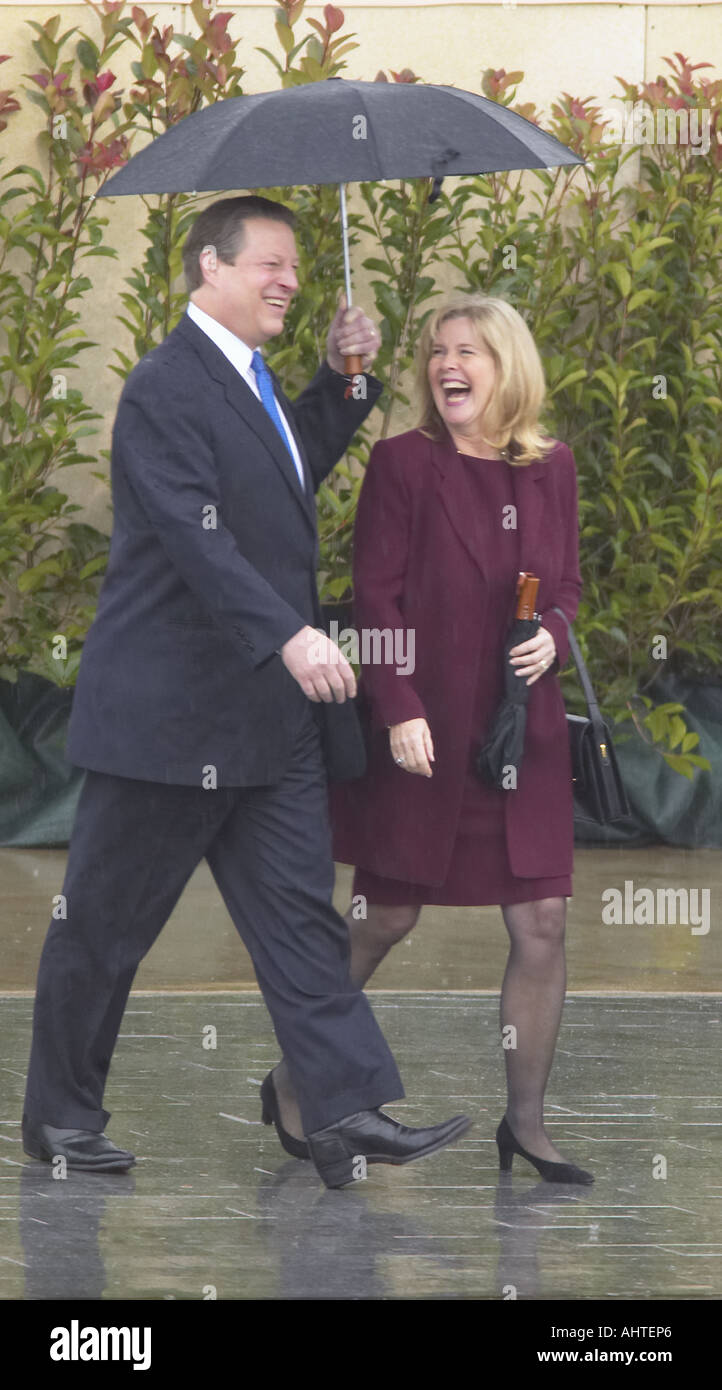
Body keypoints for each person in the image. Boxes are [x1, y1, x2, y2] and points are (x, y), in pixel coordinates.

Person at [21, 197, 470, 1191]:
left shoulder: (252, 378)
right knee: (101, 929)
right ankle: (58, 1119)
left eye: (297, 268)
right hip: (167, 725)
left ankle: (342, 1108)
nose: (290, 281)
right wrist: (287, 632)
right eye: (270, 262)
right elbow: (194, 535)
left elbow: (280, 473)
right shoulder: (162, 388)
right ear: (208, 270)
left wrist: (342, 383)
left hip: (266, 724)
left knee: (300, 921)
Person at [328, 291, 594, 1184]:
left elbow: (567, 588)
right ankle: (298, 1082)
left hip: (523, 734)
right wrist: (397, 705)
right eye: (439, 351)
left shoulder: (549, 466)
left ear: (506, 366)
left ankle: (526, 1124)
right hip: (426, 730)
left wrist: (553, 634)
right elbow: (374, 600)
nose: (449, 365)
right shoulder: (404, 464)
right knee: (385, 916)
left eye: (470, 350)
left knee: (544, 922)